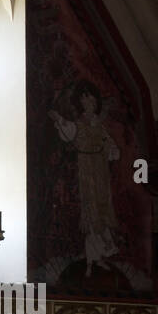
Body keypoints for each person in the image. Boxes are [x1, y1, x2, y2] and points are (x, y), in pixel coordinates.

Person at [49, 82, 120, 278]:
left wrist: (112, 150)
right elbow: (68, 132)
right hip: (86, 169)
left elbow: (109, 143)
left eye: (91, 98)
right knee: (91, 213)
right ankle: (91, 261)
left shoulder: (99, 124)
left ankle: (100, 257)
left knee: (103, 208)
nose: (88, 101)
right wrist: (59, 120)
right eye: (84, 98)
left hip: (100, 170)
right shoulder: (78, 124)